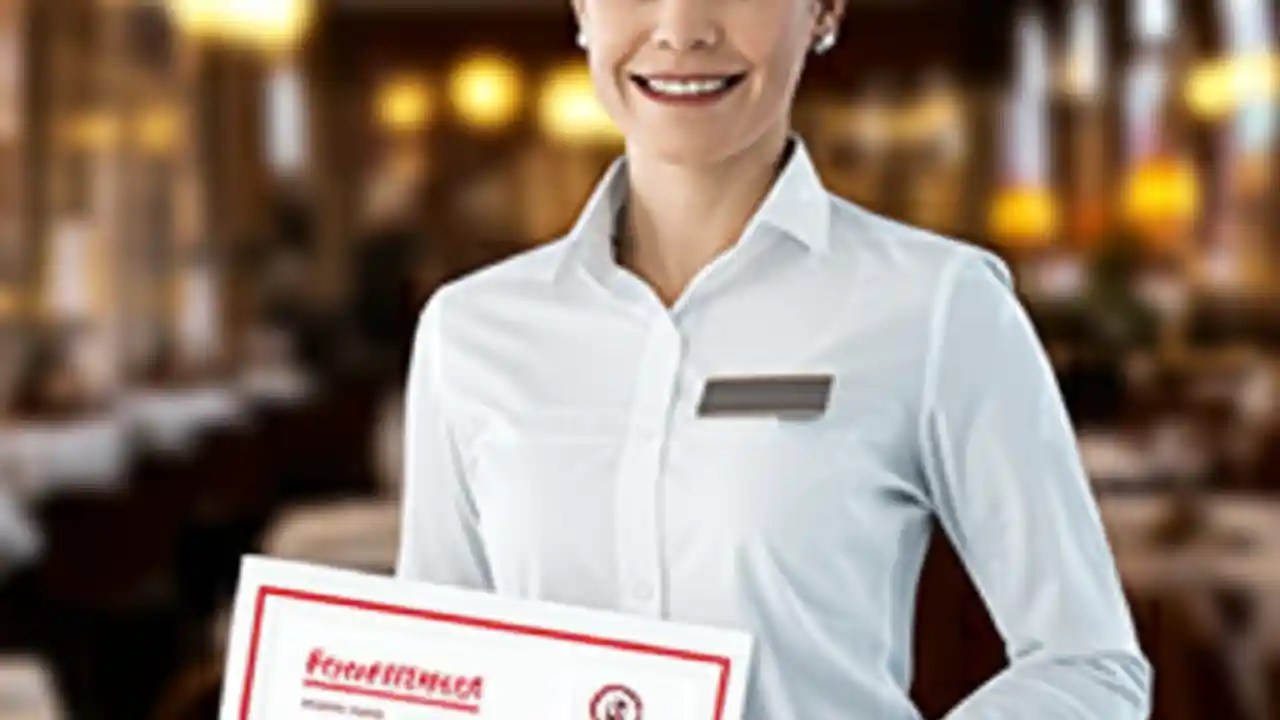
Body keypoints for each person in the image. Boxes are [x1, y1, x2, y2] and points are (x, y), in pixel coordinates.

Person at [396, 0, 1153, 717]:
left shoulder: (937, 306)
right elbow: (430, 669)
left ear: (825, 9)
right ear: (582, 9)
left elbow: (1089, 665)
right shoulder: (470, 332)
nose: (682, 29)